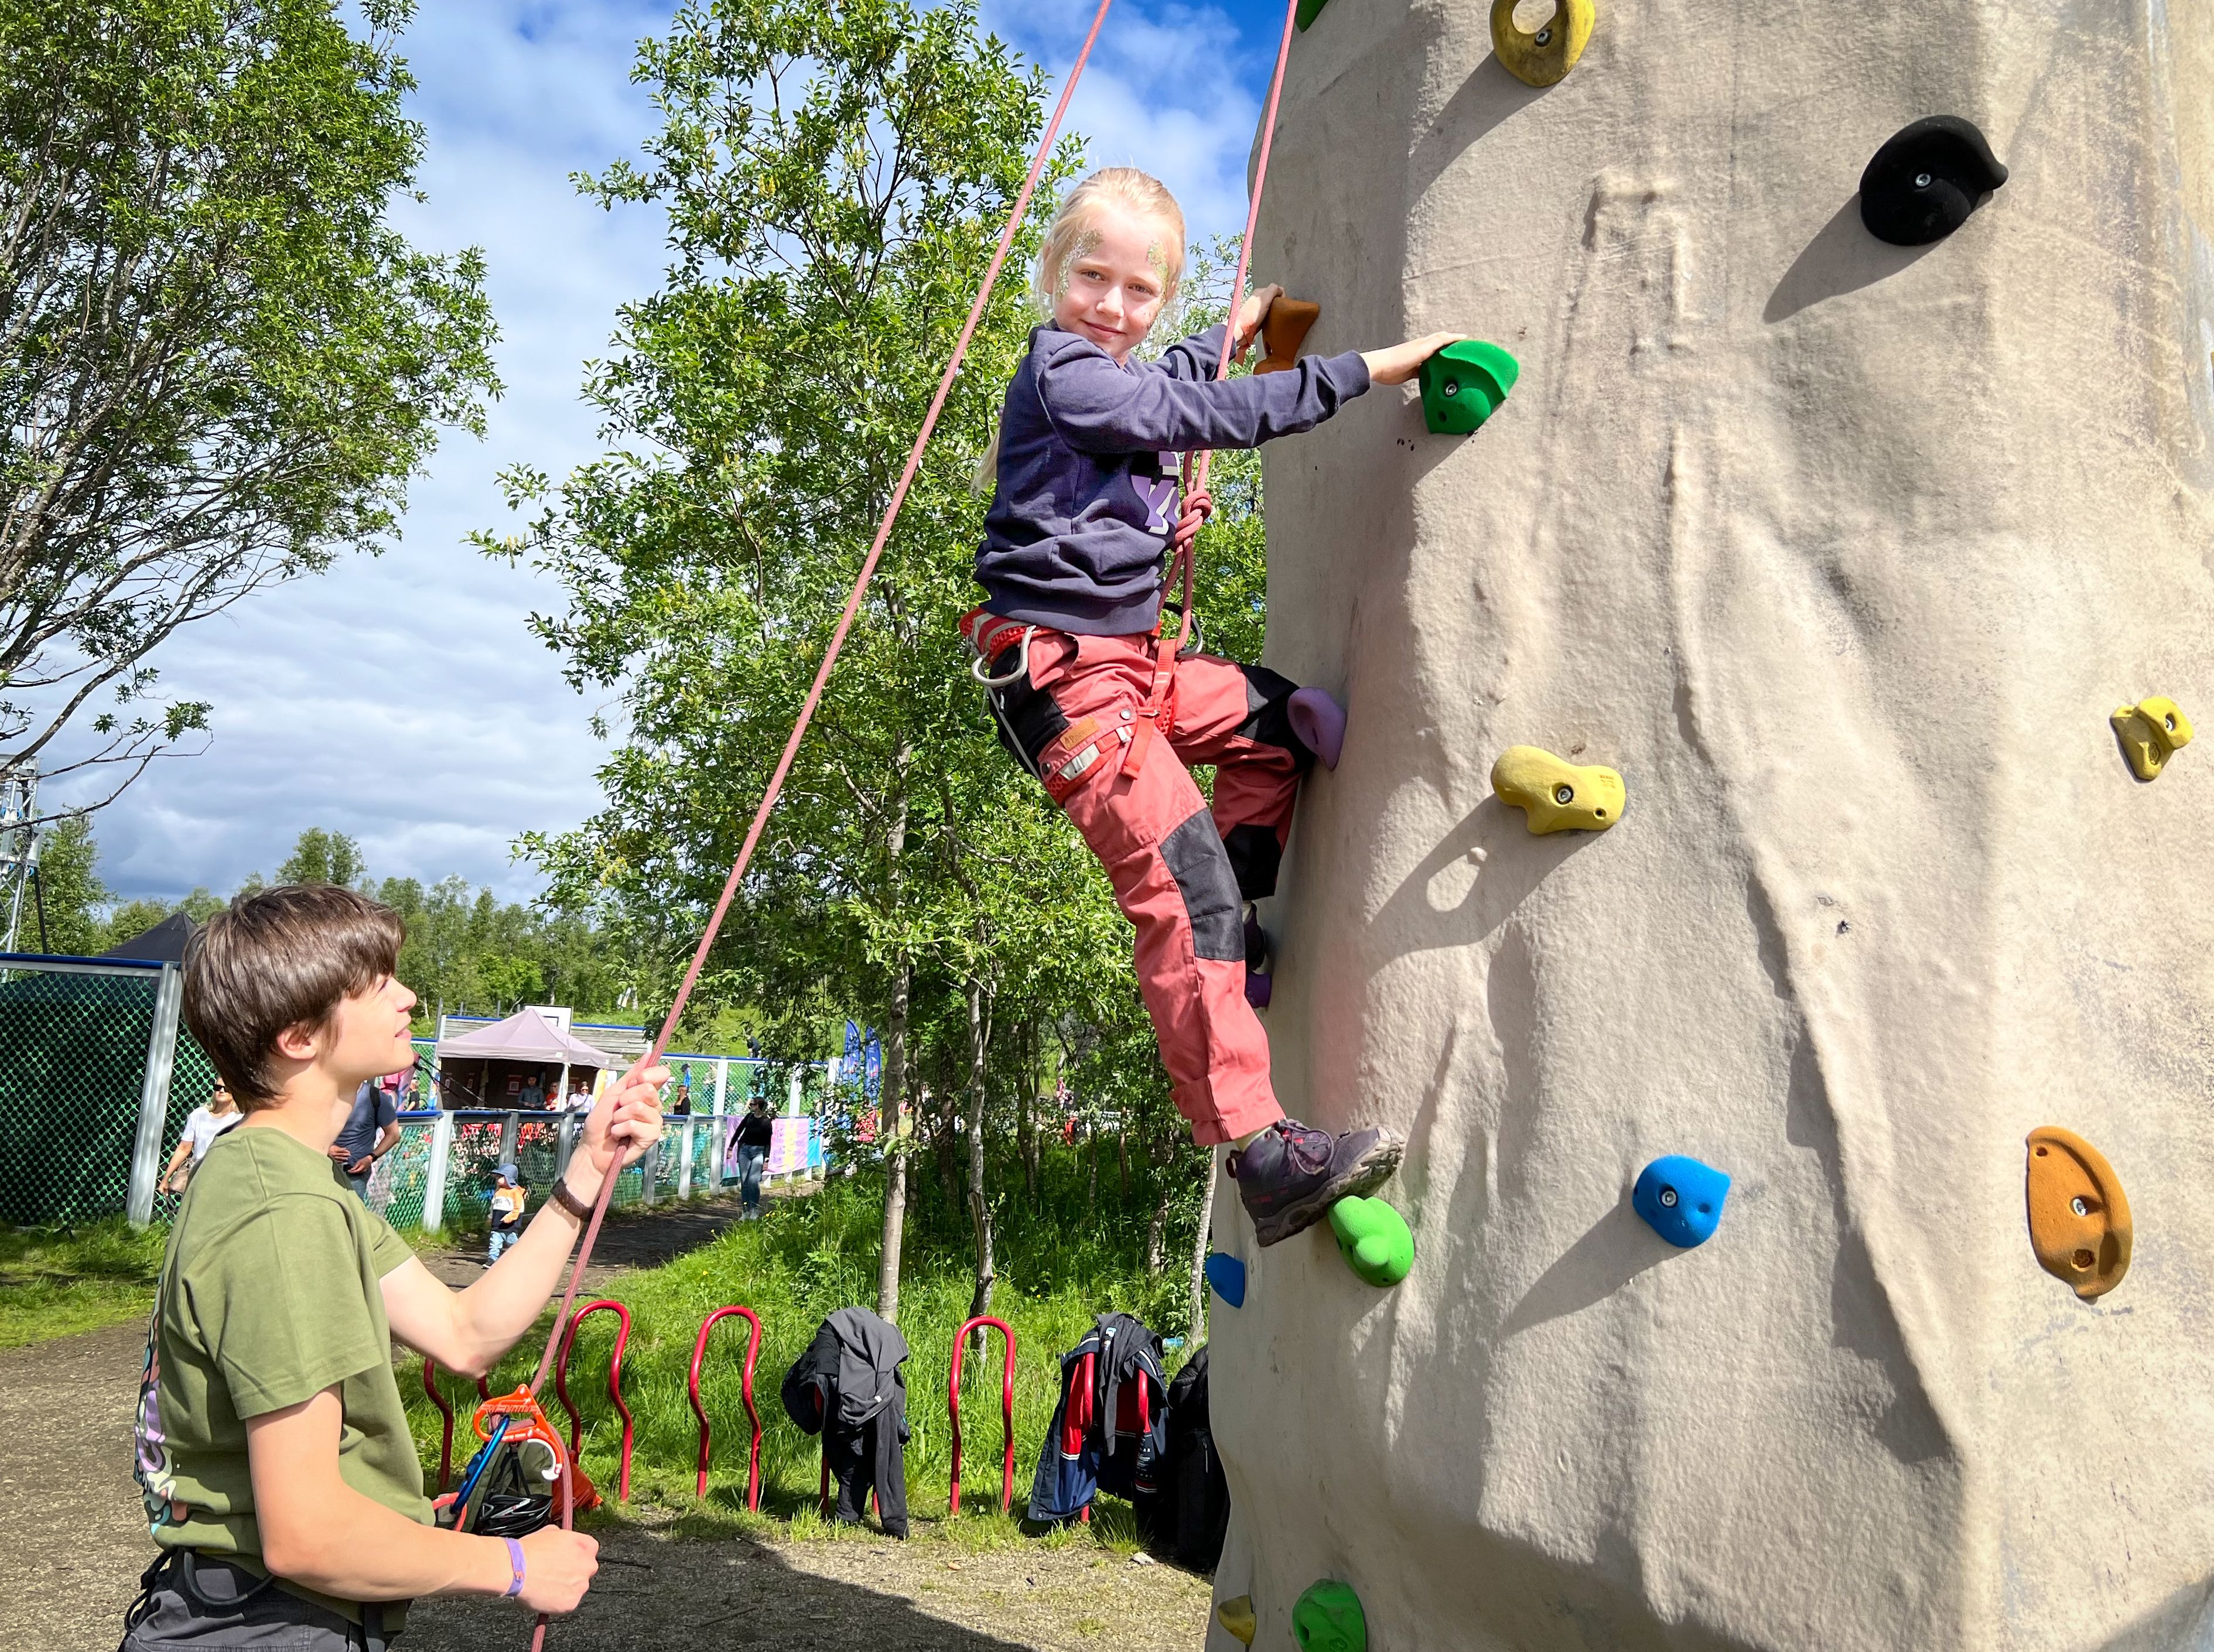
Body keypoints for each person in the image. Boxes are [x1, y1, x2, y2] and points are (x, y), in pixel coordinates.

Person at [968, 167, 1466, 1246]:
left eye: (1139, 292)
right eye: (1091, 277)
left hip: (1136, 670)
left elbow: (1178, 382)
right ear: (1055, 271)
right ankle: (1263, 1151)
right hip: (1070, 685)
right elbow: (1197, 412)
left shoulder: (1121, 369)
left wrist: (1232, 328)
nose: (1111, 304)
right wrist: (1367, 372)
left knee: (1278, 727)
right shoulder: (1064, 373)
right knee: (1181, 895)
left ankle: (1236, 947)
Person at [125, 883, 665, 1652]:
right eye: (377, 982)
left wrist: (583, 1176)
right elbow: (306, 1535)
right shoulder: (283, 1211)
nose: (408, 996)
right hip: (267, 1625)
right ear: (300, 1035)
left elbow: (465, 1331)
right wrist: (511, 1564)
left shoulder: (292, 1179)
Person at [160, 1082, 242, 1195]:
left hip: (223, 1175)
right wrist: (166, 1178)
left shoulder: (239, 1120)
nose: (221, 1091)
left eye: (226, 1088)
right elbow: (184, 1149)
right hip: (198, 1173)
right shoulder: (199, 1115)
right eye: (218, 1088)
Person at [329, 1073, 400, 1200]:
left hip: (354, 1175)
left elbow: (393, 1135)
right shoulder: (323, 1095)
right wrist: (327, 1149)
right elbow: (306, 1129)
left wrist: (370, 1158)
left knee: (351, 1217)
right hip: (324, 1169)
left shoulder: (375, 1097)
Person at [733, 1097, 773, 1218]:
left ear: (760, 1106)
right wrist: (731, 1147)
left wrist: (766, 1159)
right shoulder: (749, 1117)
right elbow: (739, 1131)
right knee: (745, 1182)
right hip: (745, 1151)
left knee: (753, 1181)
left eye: (754, 1104)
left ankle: (755, 1209)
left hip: (759, 1152)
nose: (751, 1106)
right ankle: (746, 1210)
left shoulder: (766, 1122)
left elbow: (768, 1142)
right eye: (751, 1104)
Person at [486, 1164, 527, 1264]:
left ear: (508, 1178)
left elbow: (519, 1208)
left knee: (513, 1243)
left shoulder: (515, 1192)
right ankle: (492, 1258)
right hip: (497, 1224)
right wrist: (490, 1217)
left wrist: (511, 1217)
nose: (497, 1179)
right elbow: (493, 1206)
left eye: (500, 1177)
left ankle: (520, 1258)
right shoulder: (498, 1192)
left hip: (510, 1226)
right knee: (494, 1242)